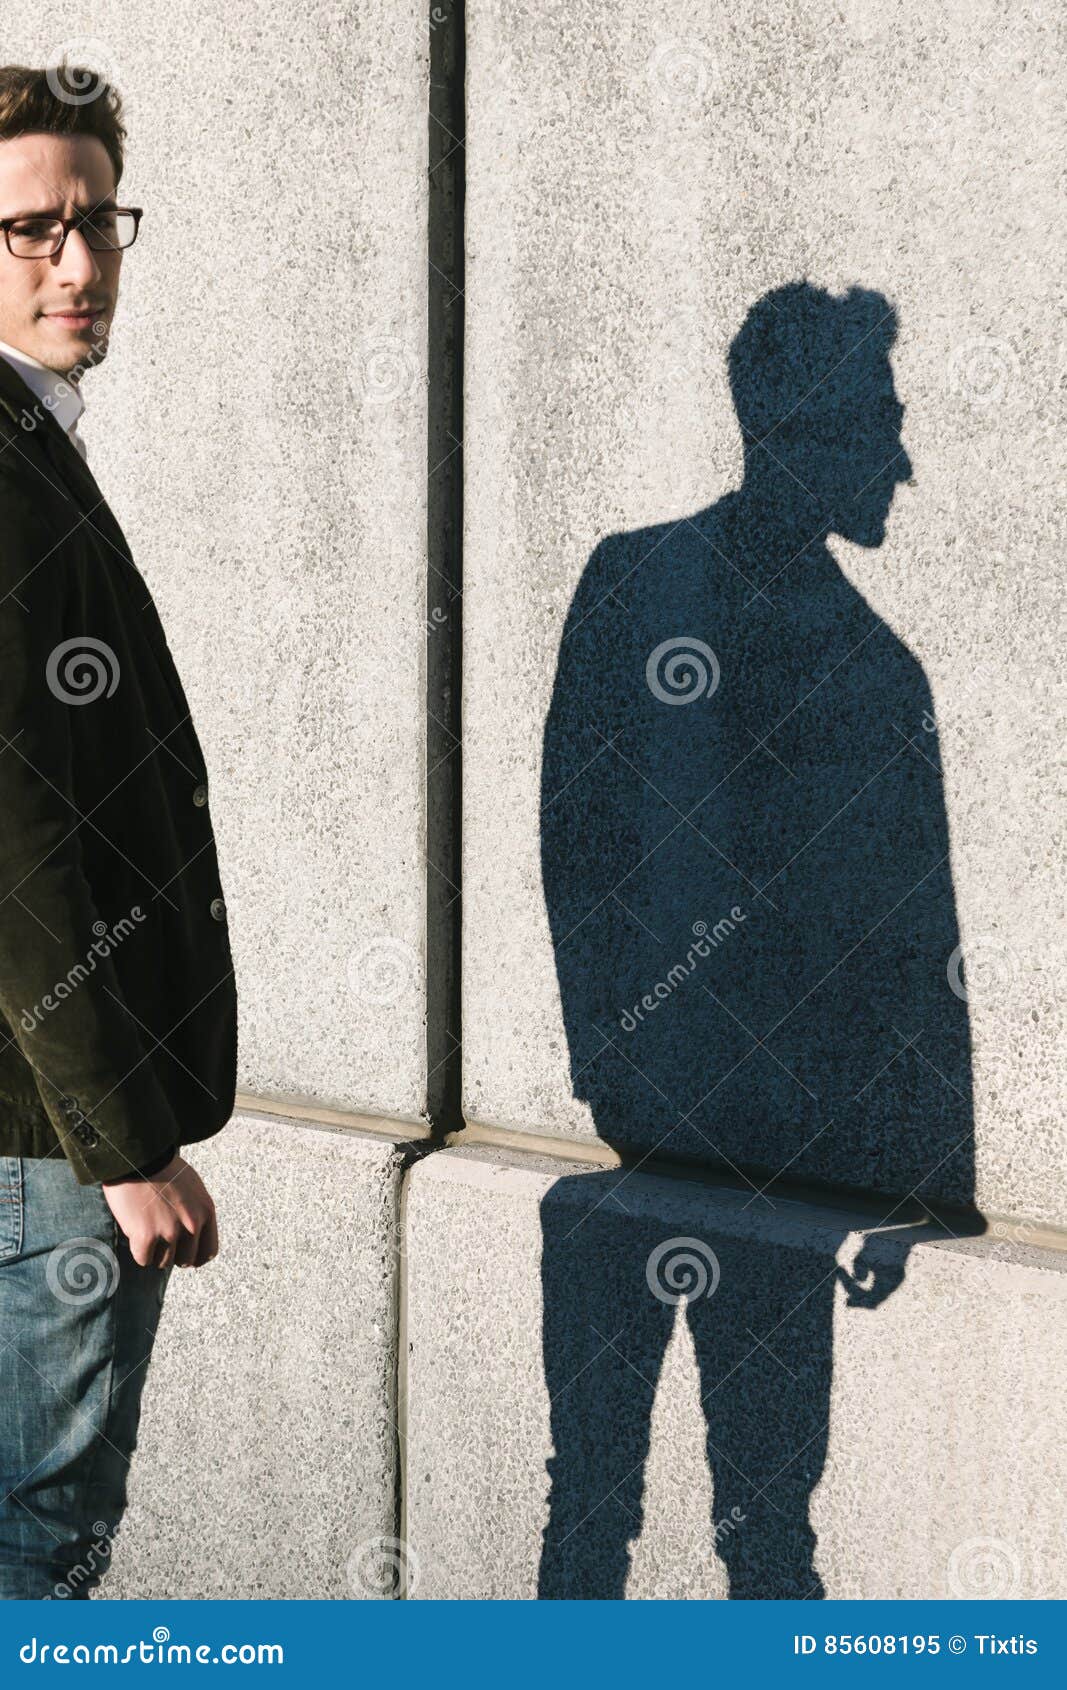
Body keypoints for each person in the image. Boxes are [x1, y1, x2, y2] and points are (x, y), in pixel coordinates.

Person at [0, 62, 237, 1598]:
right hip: (44, 1134)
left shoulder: (33, 443)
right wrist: (126, 1143)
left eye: (97, 223)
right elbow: (14, 834)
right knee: (42, 1538)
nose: (78, 266)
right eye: (29, 231)